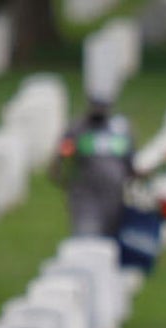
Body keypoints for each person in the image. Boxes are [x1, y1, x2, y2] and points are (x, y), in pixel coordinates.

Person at [49, 95, 139, 239]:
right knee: (88, 240)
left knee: (111, 242)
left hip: (115, 200)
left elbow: (131, 165)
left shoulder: (122, 129)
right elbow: (58, 166)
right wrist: (67, 182)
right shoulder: (77, 128)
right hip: (86, 199)